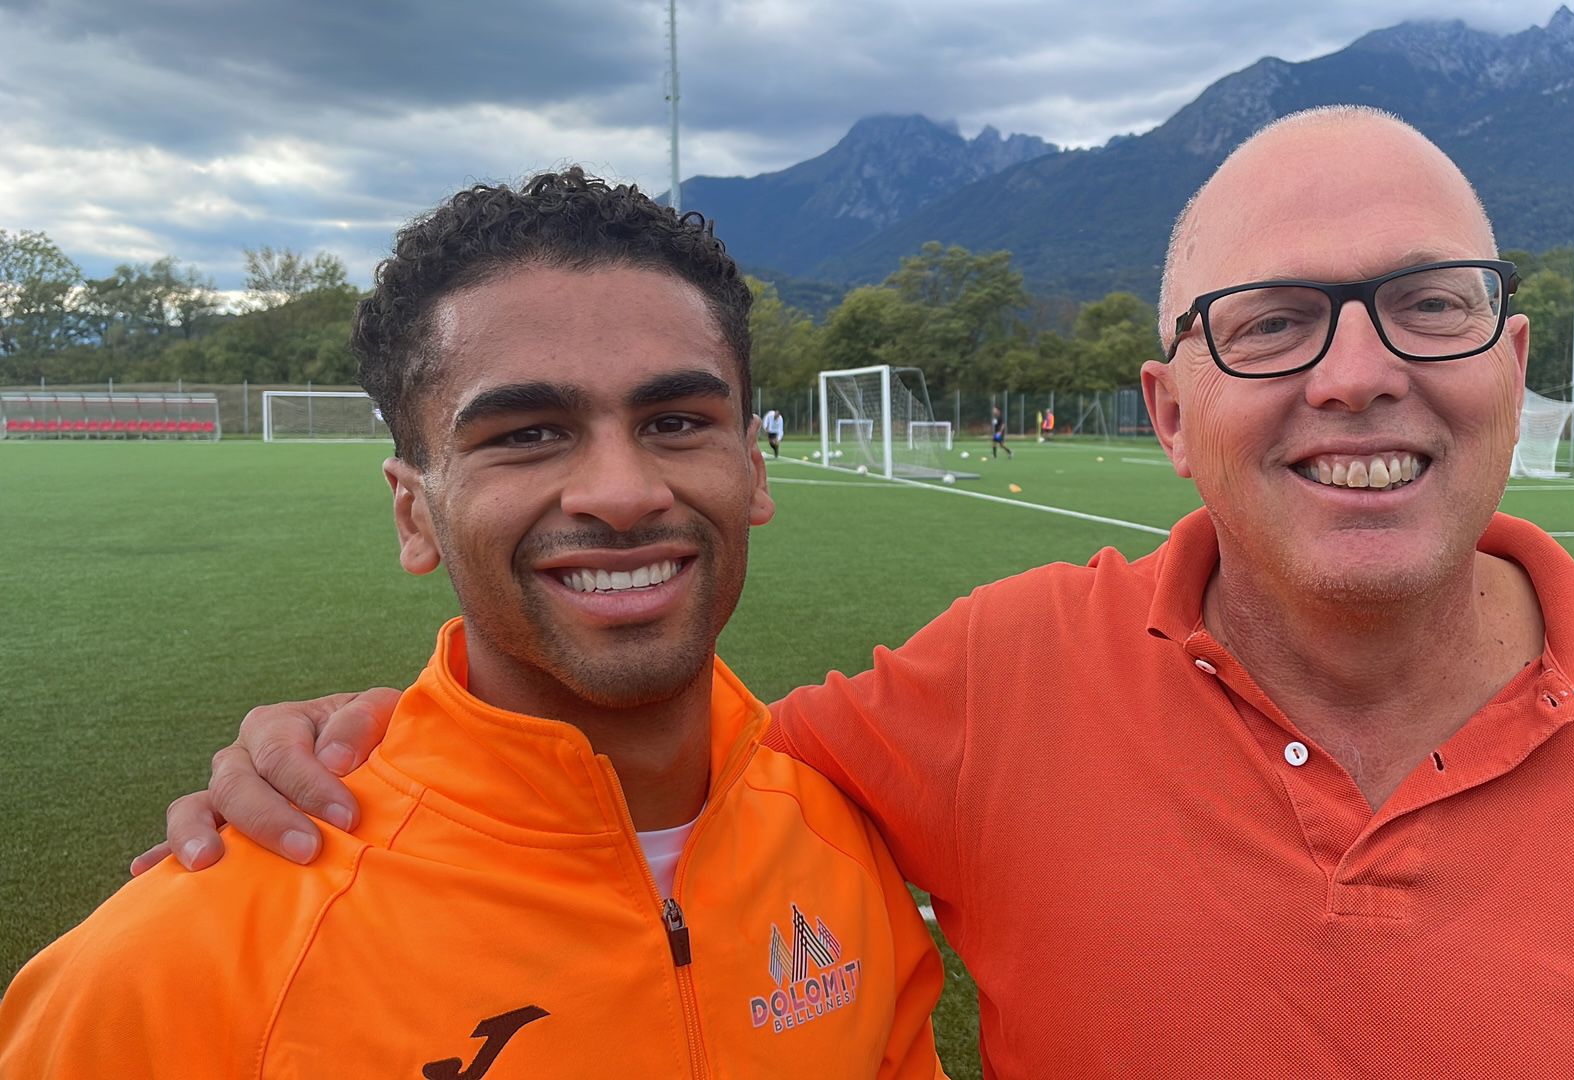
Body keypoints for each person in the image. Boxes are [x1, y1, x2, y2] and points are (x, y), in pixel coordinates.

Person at [138, 108, 1574, 1076]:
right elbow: (651, 774)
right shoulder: (999, 686)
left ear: (1513, 362)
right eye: (1271, 323)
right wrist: (377, 744)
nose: (1357, 375)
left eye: (1429, 304)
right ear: (1169, 412)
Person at [0, 168, 945, 1078]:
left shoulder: (839, 844)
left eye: (674, 421)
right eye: (526, 434)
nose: (622, 492)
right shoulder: (177, 963)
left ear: (754, 472)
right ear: (414, 514)